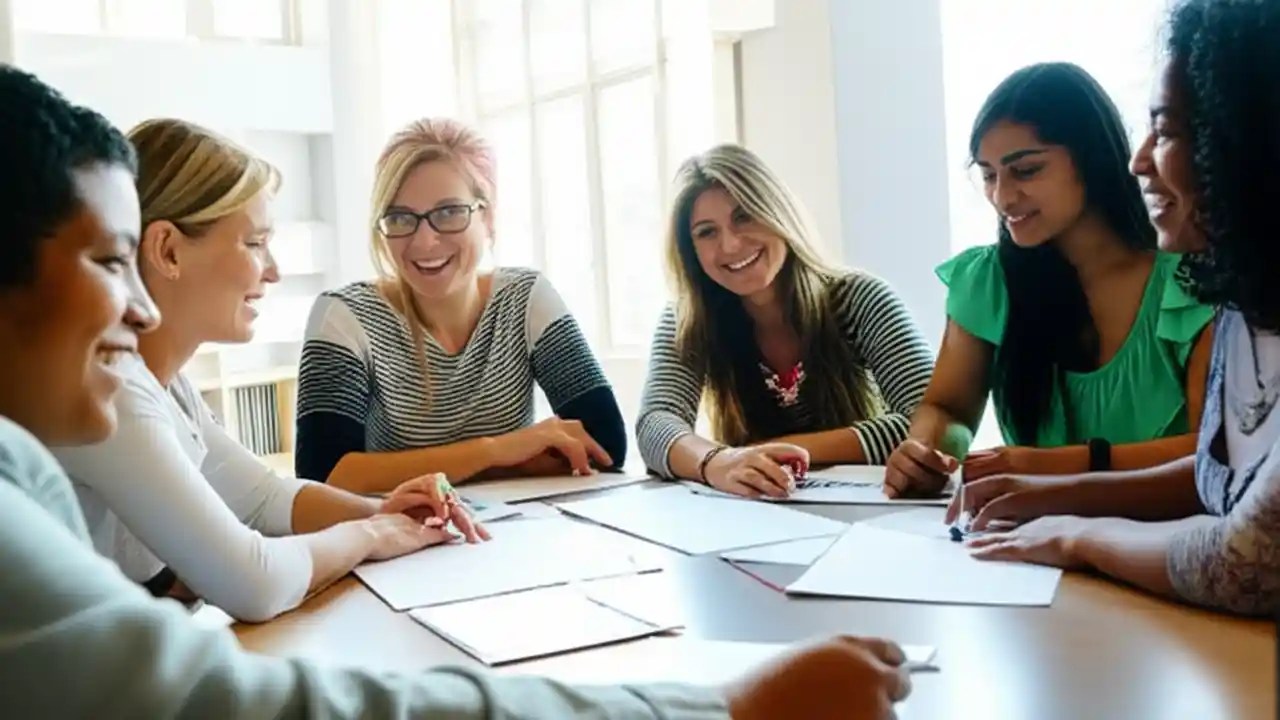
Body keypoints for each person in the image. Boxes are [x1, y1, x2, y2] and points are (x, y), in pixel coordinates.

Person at [0, 63, 913, 719]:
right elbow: (267, 556)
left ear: (487, 217)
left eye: (448, 212)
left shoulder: (122, 411)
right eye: (106, 262)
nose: (132, 309)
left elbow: (275, 494)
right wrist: (401, 510)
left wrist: (382, 510)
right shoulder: (305, 327)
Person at [51, 118, 486, 623]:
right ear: (168, 251)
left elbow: (264, 501)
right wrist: (371, 534)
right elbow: (254, 583)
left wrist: (387, 511)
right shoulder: (116, 390)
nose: (273, 270)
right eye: (254, 243)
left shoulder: (165, 387)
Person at [949, 0, 1280, 617]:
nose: (1141, 158)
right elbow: (1219, 478)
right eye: (989, 175)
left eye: (1169, 130)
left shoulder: (1192, 285)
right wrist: (1054, 494)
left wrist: (1076, 530)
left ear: (1248, 137)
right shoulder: (1242, 295)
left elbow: (1246, 557)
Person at [884, 62, 1215, 499]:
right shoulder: (987, 279)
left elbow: (1213, 454)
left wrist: (1048, 466)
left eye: (1025, 170)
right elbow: (948, 409)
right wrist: (927, 450)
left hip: (1165, 537)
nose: (1002, 197)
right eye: (988, 175)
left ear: (1092, 158)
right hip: (1032, 540)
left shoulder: (1191, 282)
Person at [295, 118, 626, 494]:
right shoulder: (344, 317)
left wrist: (449, 469)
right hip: (399, 540)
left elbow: (604, 444)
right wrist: (496, 451)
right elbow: (322, 474)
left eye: (449, 212)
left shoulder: (525, 297)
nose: (424, 242)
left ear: (487, 217)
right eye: (401, 218)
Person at [637, 144, 935, 498]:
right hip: (758, 511)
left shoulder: (859, 297)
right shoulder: (686, 319)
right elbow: (655, 424)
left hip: (873, 510)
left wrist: (772, 450)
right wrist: (718, 462)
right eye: (706, 232)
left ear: (776, 212)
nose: (730, 245)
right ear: (691, 252)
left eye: (744, 216)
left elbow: (927, 423)